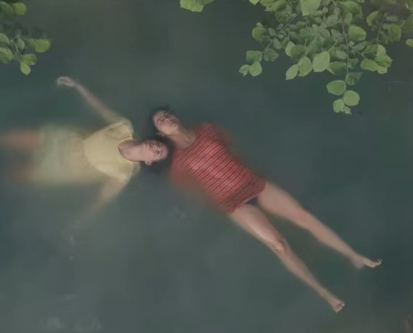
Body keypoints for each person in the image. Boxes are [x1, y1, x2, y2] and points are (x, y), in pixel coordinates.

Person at [151, 108, 381, 313]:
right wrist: (218, 207)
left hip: (253, 182)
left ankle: (355, 256)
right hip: (232, 202)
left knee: (304, 216)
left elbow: (234, 148)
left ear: (178, 115)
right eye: (160, 120)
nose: (166, 117)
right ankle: (324, 293)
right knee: (279, 246)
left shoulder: (207, 129)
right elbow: (192, 192)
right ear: (161, 134)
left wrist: (255, 170)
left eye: (167, 113)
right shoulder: (178, 163)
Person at [0, 77, 168, 223]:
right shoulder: (124, 128)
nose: (155, 147)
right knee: (2, 138)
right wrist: (78, 87)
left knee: (7, 176)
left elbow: (100, 201)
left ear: (149, 161)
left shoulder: (124, 173)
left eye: (157, 152)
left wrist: (77, 225)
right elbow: (101, 108)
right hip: (62, 139)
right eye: (158, 144)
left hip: (62, 170)